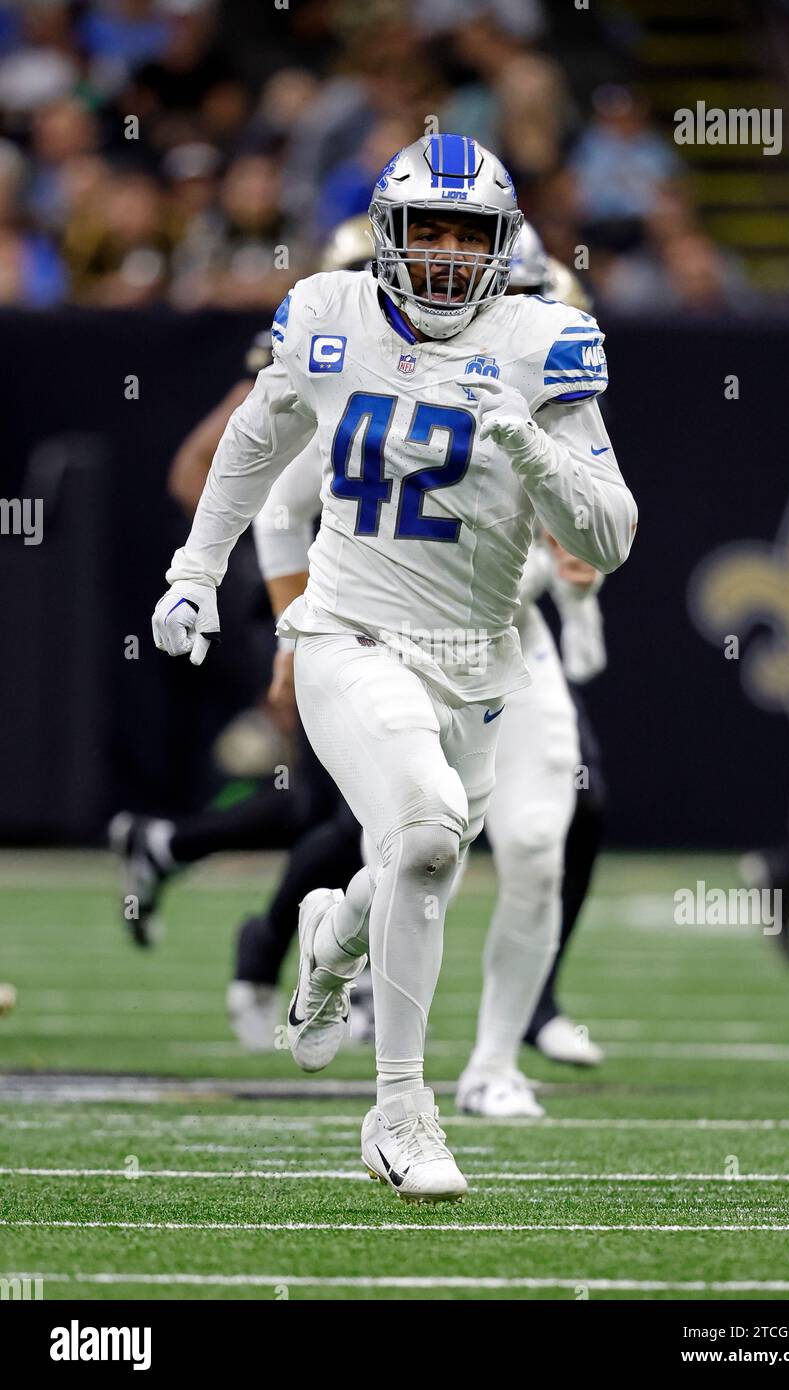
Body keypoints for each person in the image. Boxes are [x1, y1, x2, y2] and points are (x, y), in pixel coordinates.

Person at [151, 133, 637, 1201]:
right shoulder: (329, 314)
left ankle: (328, 939)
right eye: (430, 229)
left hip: (482, 659)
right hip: (347, 634)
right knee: (423, 835)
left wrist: (526, 444)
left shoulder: (541, 339)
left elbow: (607, 536)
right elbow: (252, 440)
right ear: (390, 235)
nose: (450, 254)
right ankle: (399, 1110)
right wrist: (196, 569)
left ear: (503, 244)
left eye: (472, 233)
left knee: (423, 857)